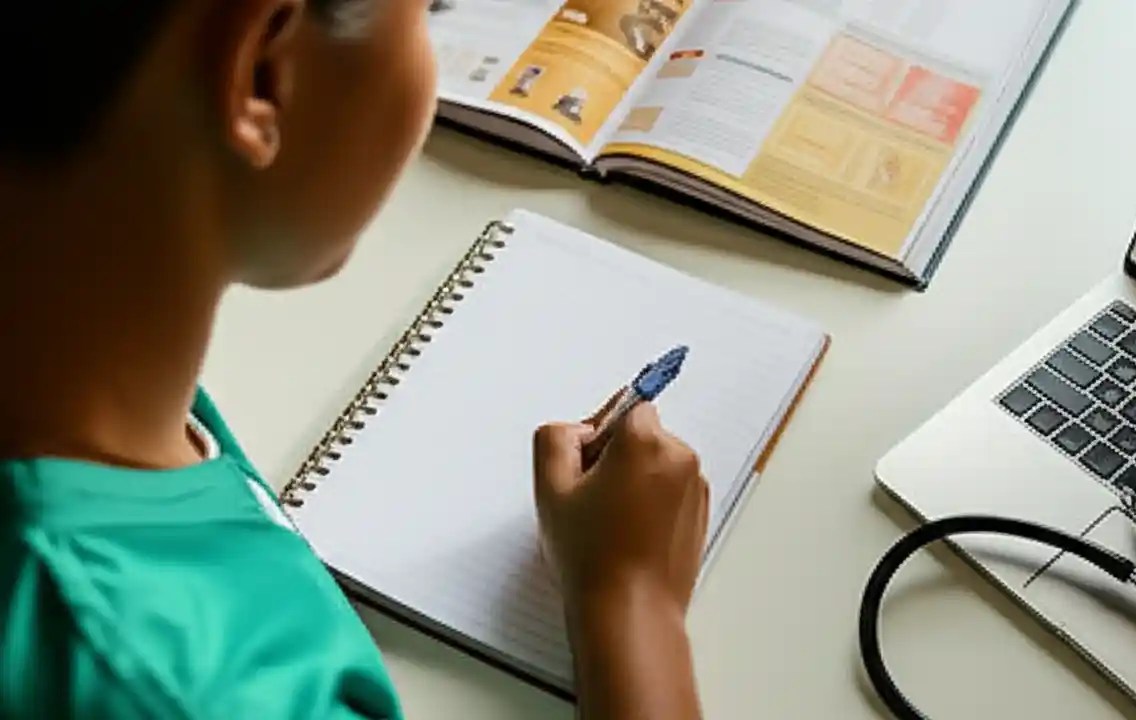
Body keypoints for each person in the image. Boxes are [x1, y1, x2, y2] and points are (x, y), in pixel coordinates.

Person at [0, 1, 709, 718]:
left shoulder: (76, 347)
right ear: (263, 75)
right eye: (428, 13)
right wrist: (633, 604)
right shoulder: (171, 686)